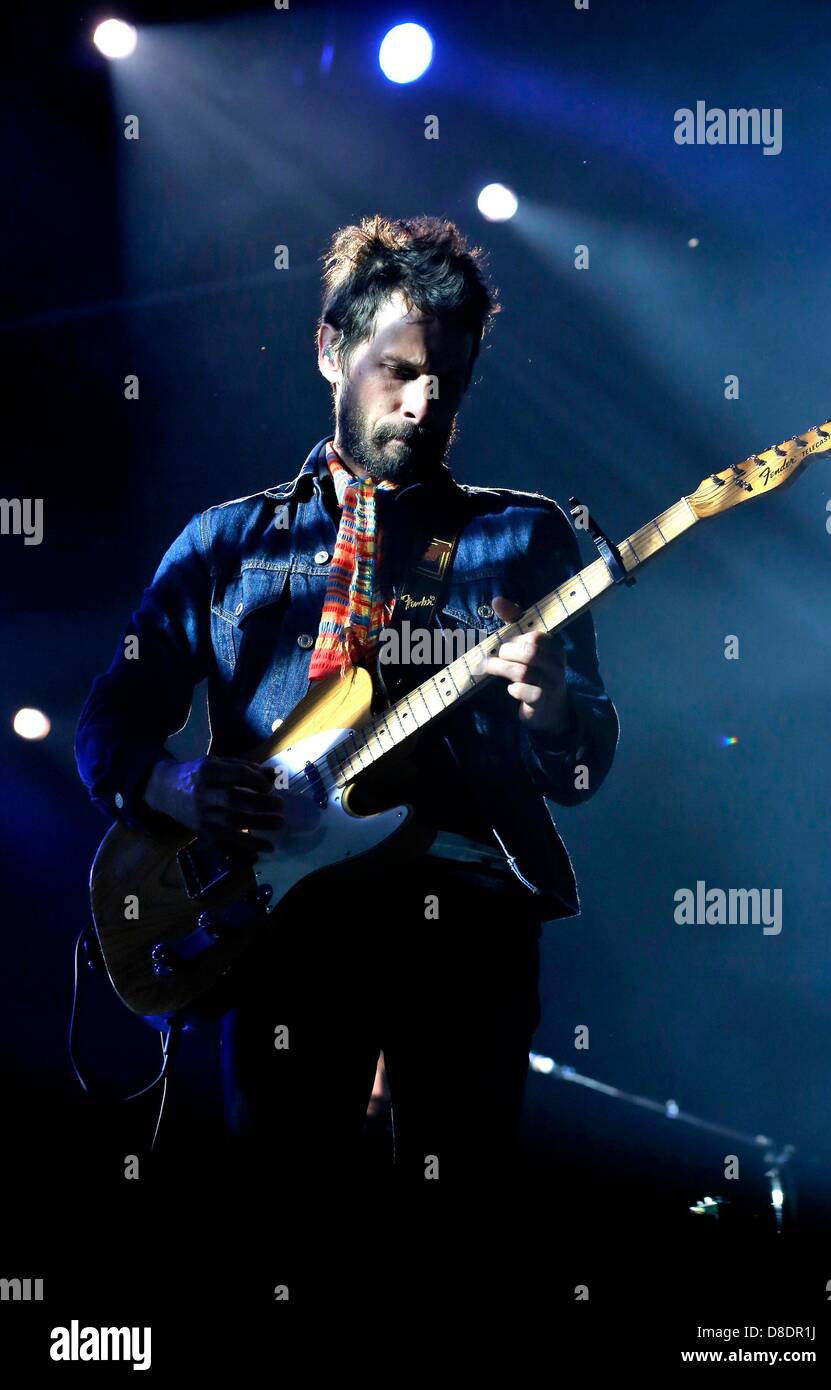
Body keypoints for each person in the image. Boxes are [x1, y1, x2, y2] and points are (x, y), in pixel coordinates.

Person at [75, 214, 619, 1204]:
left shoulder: (521, 536)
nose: (422, 403)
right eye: (396, 370)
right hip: (281, 932)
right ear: (330, 348)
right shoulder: (223, 544)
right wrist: (176, 781)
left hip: (463, 927)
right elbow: (108, 721)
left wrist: (546, 708)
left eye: (446, 381)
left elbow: (581, 768)